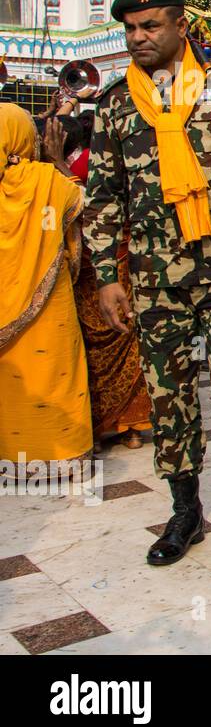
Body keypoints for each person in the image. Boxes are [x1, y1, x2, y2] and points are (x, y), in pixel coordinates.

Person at [84, 0, 211, 566]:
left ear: (180, 26)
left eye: (150, 26)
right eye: (130, 29)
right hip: (153, 276)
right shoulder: (116, 103)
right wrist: (107, 276)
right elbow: (103, 196)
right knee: (168, 394)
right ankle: (184, 509)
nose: (138, 37)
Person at [45, 113, 153, 451]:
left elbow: (88, 205)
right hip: (95, 270)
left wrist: (58, 165)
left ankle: (125, 426)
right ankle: (117, 427)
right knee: (106, 345)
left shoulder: (91, 163)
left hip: (110, 265)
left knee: (120, 339)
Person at [0, 102, 92, 466]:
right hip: (50, 306)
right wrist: (57, 163)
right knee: (54, 373)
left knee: (11, 382)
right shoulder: (46, 180)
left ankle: (11, 458)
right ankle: (63, 456)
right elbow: (84, 206)